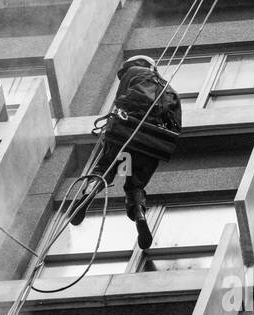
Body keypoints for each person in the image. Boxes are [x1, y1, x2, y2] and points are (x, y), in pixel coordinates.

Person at [74, 55, 182, 250]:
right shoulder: (169, 89)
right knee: (134, 184)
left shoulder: (134, 73)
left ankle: (88, 194)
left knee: (105, 167)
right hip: (152, 143)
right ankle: (139, 215)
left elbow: (122, 101)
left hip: (127, 131)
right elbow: (175, 123)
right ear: (153, 66)